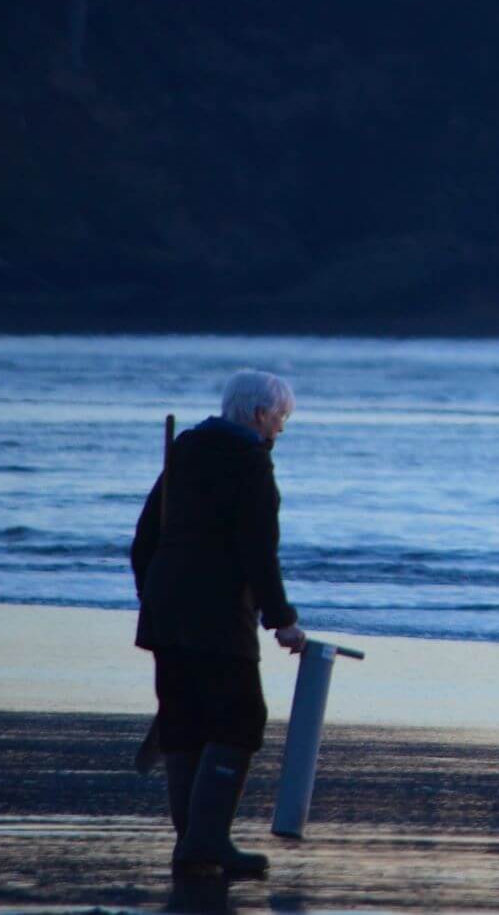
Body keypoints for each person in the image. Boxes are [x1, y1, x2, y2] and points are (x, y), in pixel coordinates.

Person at [131, 370, 307, 878]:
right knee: (240, 718)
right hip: (218, 617)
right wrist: (282, 621)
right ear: (258, 416)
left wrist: (155, 598)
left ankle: (192, 842)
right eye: (281, 419)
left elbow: (145, 539)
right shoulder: (248, 464)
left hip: (166, 611)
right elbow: (257, 552)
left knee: (183, 721)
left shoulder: (183, 453)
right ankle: (206, 842)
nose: (281, 430)